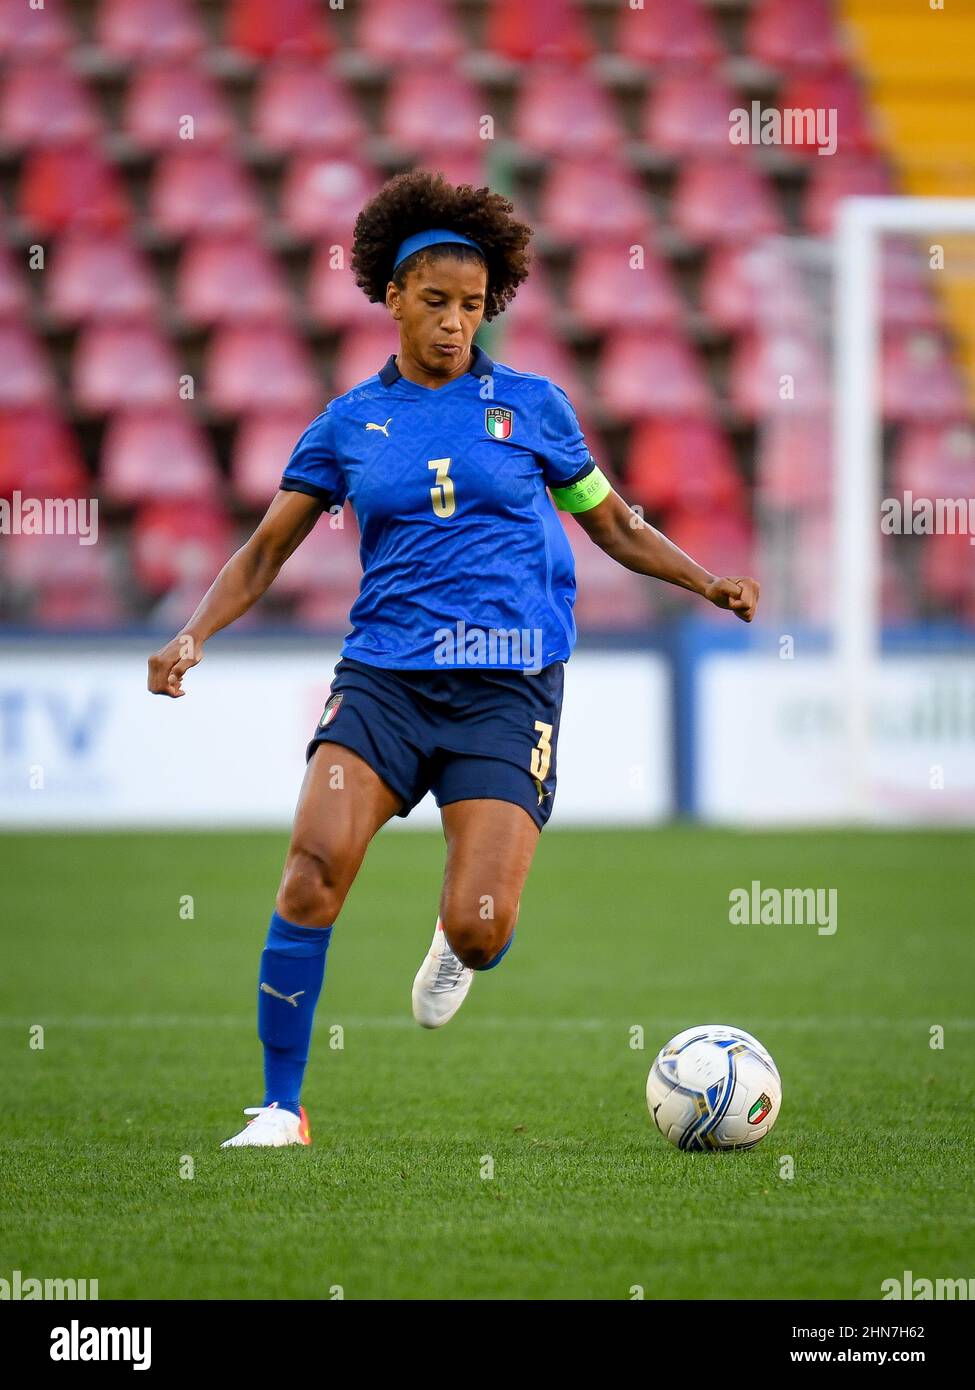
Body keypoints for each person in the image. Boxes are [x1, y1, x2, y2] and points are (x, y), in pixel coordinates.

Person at [147, 170, 759, 1149]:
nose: (454, 324)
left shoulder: (533, 407)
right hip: (384, 680)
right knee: (312, 868)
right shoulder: (346, 425)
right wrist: (194, 633)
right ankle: (279, 1106)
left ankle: (455, 942)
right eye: (436, 302)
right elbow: (267, 549)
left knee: (480, 925)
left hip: (506, 687)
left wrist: (707, 580)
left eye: (473, 307)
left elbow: (615, 525)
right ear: (391, 295)